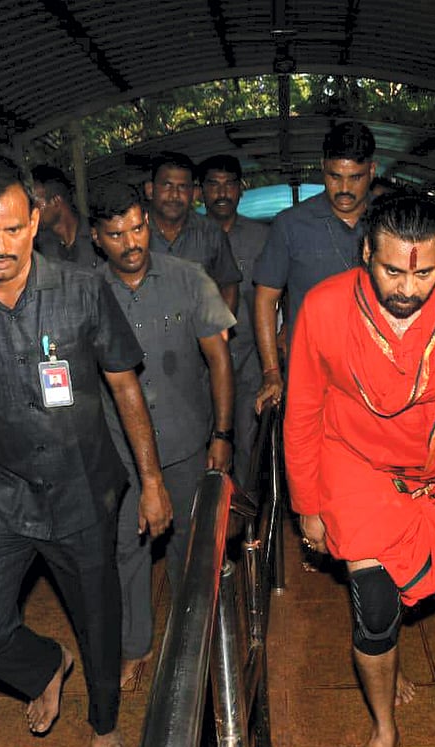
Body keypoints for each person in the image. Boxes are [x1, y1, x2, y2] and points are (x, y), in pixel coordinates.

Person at [0, 154, 172, 747]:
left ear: (35, 220)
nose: (0, 244)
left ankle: (105, 723)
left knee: (98, 617)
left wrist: (153, 482)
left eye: (12, 227)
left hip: (84, 487)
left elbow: (124, 386)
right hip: (2, 494)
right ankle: (45, 665)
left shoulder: (85, 291)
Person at [284, 191, 435, 747]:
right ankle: (385, 731)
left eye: (424, 272)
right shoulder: (324, 306)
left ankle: (385, 662)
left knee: (399, 596)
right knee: (377, 608)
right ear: (366, 252)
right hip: (352, 464)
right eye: (392, 270)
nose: (408, 288)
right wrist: (308, 504)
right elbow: (304, 410)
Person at [89, 182, 236, 686]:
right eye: (116, 234)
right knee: (125, 547)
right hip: (118, 448)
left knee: (187, 547)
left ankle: (192, 635)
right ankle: (136, 645)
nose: (131, 242)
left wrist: (223, 433)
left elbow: (220, 361)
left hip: (187, 440)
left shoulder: (189, 279)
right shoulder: (86, 293)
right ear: (96, 238)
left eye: (137, 228)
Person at [253, 121, 377, 411]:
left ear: (372, 170)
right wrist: (272, 372)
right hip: (311, 380)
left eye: (355, 178)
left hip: (376, 378)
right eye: (334, 177)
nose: (344, 189)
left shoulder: (390, 221)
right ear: (322, 167)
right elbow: (265, 299)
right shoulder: (290, 225)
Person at [198, 154, 270, 484]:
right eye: (213, 184)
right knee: (205, 437)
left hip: (251, 355)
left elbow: (278, 294)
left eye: (229, 185)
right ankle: (211, 520)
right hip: (200, 359)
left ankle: (246, 522)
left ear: (241, 189)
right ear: (200, 191)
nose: (222, 193)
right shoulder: (187, 237)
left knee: (249, 439)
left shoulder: (263, 236)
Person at [144, 151, 242, 312]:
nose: (174, 195)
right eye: (167, 186)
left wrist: (221, 333)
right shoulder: (132, 231)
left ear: (194, 193)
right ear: (150, 190)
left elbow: (229, 285)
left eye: (182, 187)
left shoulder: (211, 233)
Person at [32, 164, 95, 269]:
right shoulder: (38, 247)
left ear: (55, 201)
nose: (30, 211)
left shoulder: (97, 236)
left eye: (34, 203)